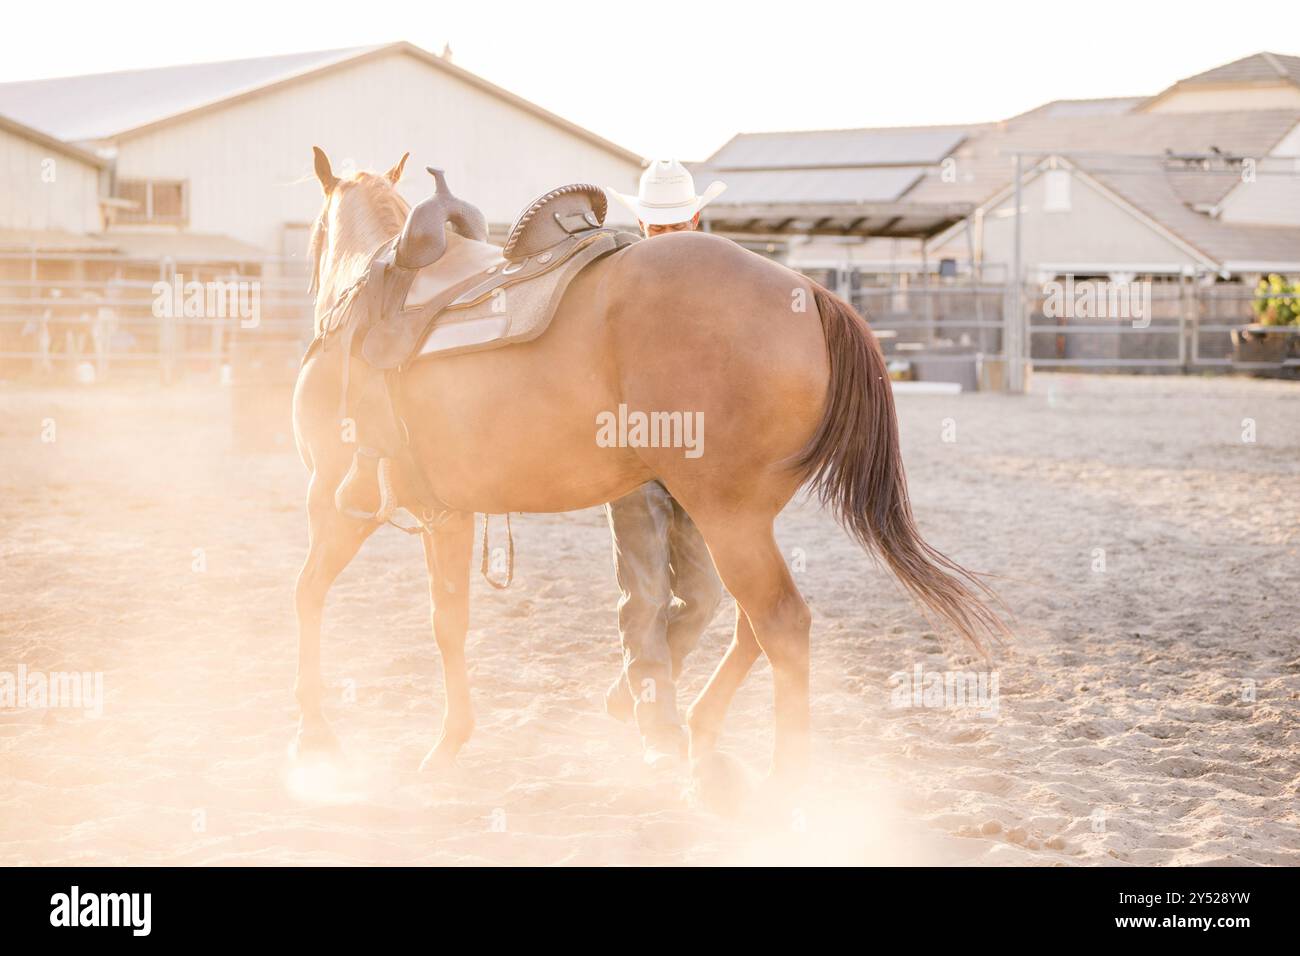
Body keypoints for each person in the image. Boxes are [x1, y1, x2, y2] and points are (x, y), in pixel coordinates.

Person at [602, 160, 728, 769]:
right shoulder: (618, 281)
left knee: (704, 597)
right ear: (644, 228)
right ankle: (657, 720)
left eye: (675, 224)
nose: (668, 235)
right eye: (657, 227)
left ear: (694, 220)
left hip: (695, 462)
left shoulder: (723, 284)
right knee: (647, 594)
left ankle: (639, 686)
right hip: (632, 459)